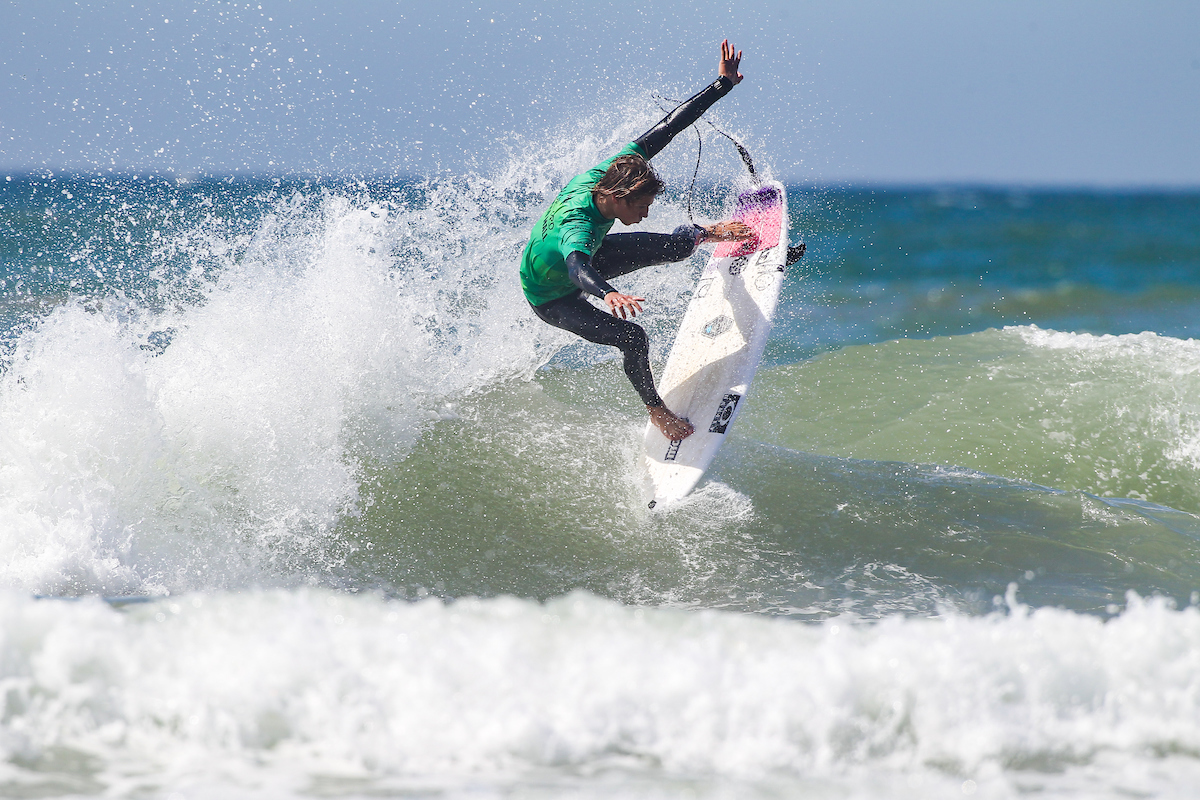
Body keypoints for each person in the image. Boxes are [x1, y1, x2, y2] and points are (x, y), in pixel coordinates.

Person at [520, 40, 752, 441]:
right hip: (551, 295)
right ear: (614, 197)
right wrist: (607, 294)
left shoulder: (609, 174)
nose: (644, 213)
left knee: (679, 247)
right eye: (640, 206)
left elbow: (668, 127)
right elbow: (577, 266)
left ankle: (705, 232)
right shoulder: (579, 225)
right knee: (632, 337)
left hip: (590, 258)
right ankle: (658, 412)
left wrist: (721, 86)